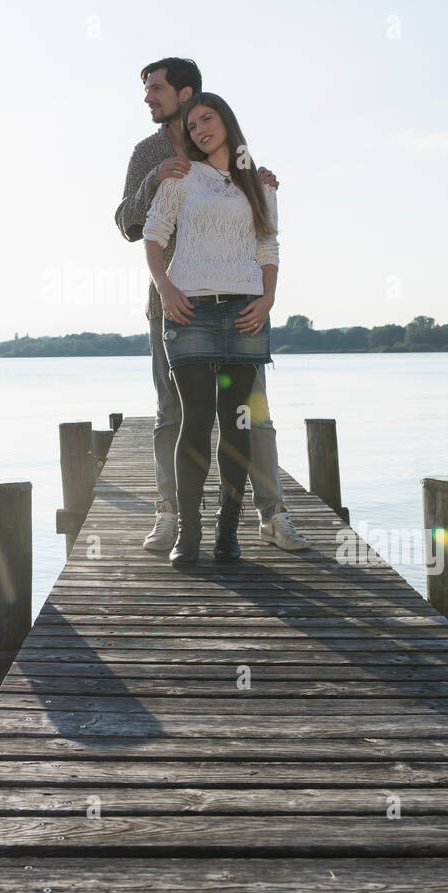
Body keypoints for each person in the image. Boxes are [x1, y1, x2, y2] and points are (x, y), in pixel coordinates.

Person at [115, 58, 309, 553]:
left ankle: (270, 514)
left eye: (156, 88)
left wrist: (267, 295)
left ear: (187, 94)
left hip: (240, 304)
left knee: (251, 416)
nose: (148, 98)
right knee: (175, 414)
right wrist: (154, 179)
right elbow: (128, 224)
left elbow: (266, 239)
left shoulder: (242, 168)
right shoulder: (150, 153)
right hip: (173, 302)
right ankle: (173, 518)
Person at [141, 91, 285, 563]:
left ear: (226, 120)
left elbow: (268, 248)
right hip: (191, 313)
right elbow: (154, 235)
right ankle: (189, 535)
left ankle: (228, 532)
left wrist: (268, 299)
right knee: (196, 423)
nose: (201, 129)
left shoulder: (260, 184)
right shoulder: (183, 177)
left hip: (244, 314)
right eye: (193, 125)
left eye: (208, 119)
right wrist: (165, 290)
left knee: (238, 423)